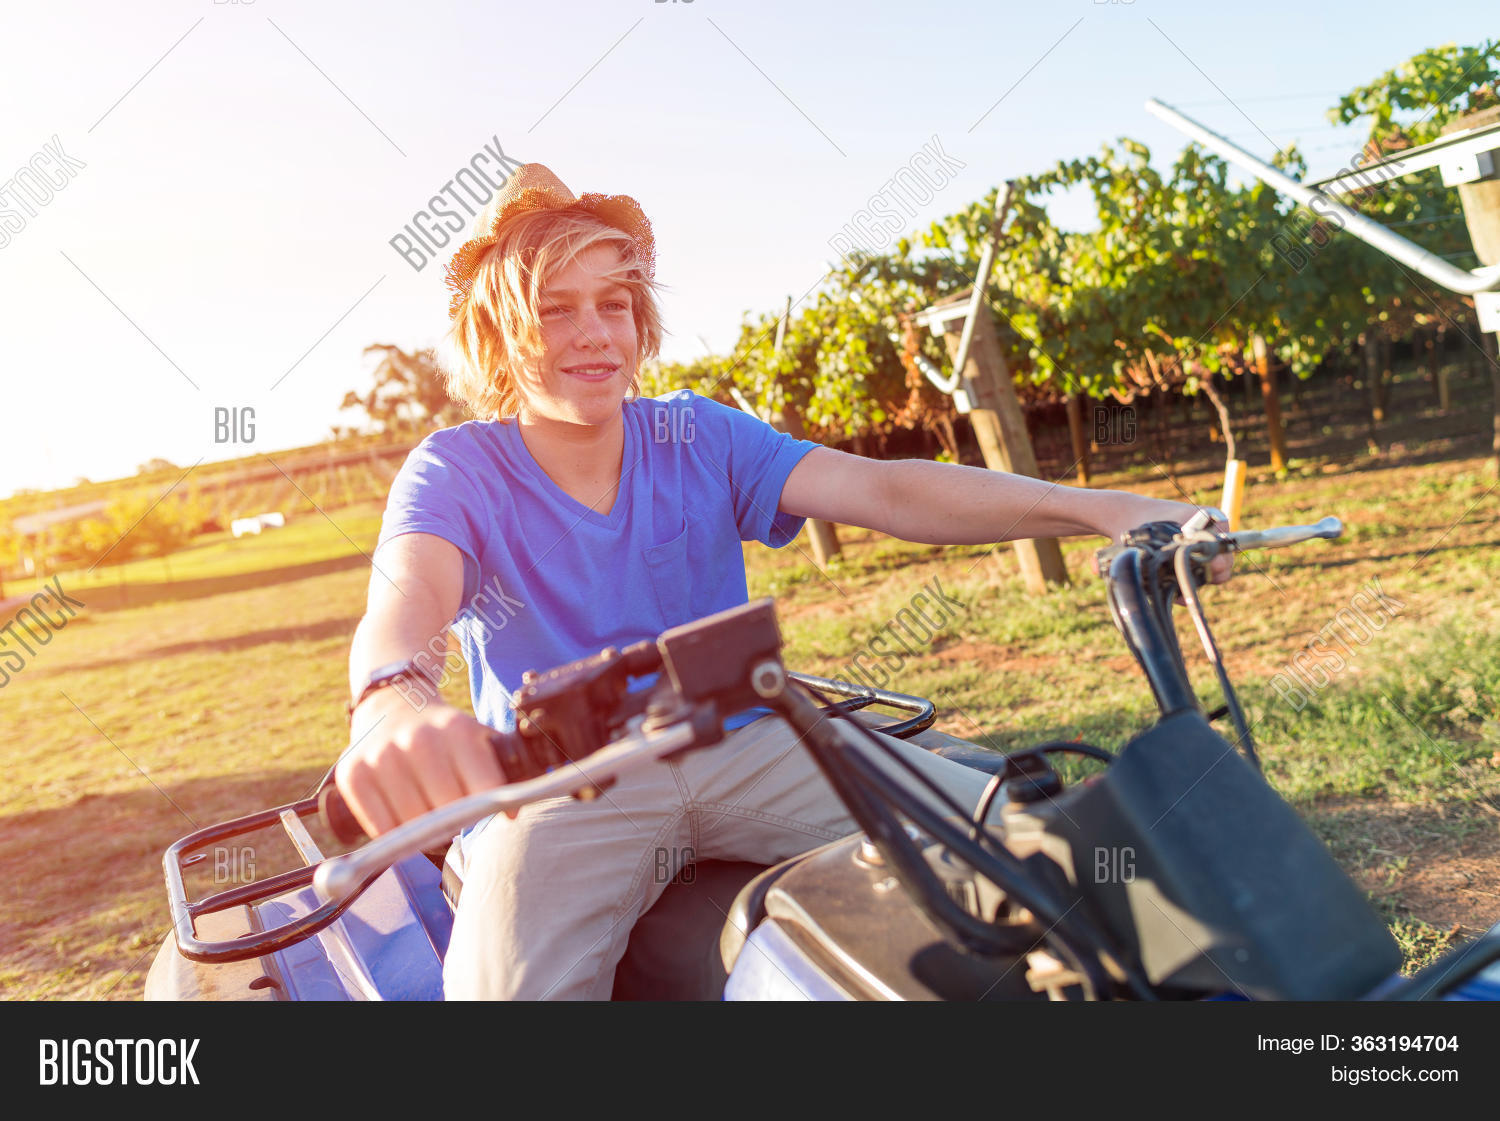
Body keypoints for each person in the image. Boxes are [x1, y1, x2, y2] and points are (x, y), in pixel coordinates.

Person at [337, 163, 1230, 1000]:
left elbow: (884, 487)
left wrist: (1104, 509)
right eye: (555, 308)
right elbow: (406, 609)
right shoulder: (455, 470)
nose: (595, 333)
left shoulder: (697, 435)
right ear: (497, 329)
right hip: (559, 788)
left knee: (1046, 856)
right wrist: (388, 706)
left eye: (613, 302)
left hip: (745, 737)